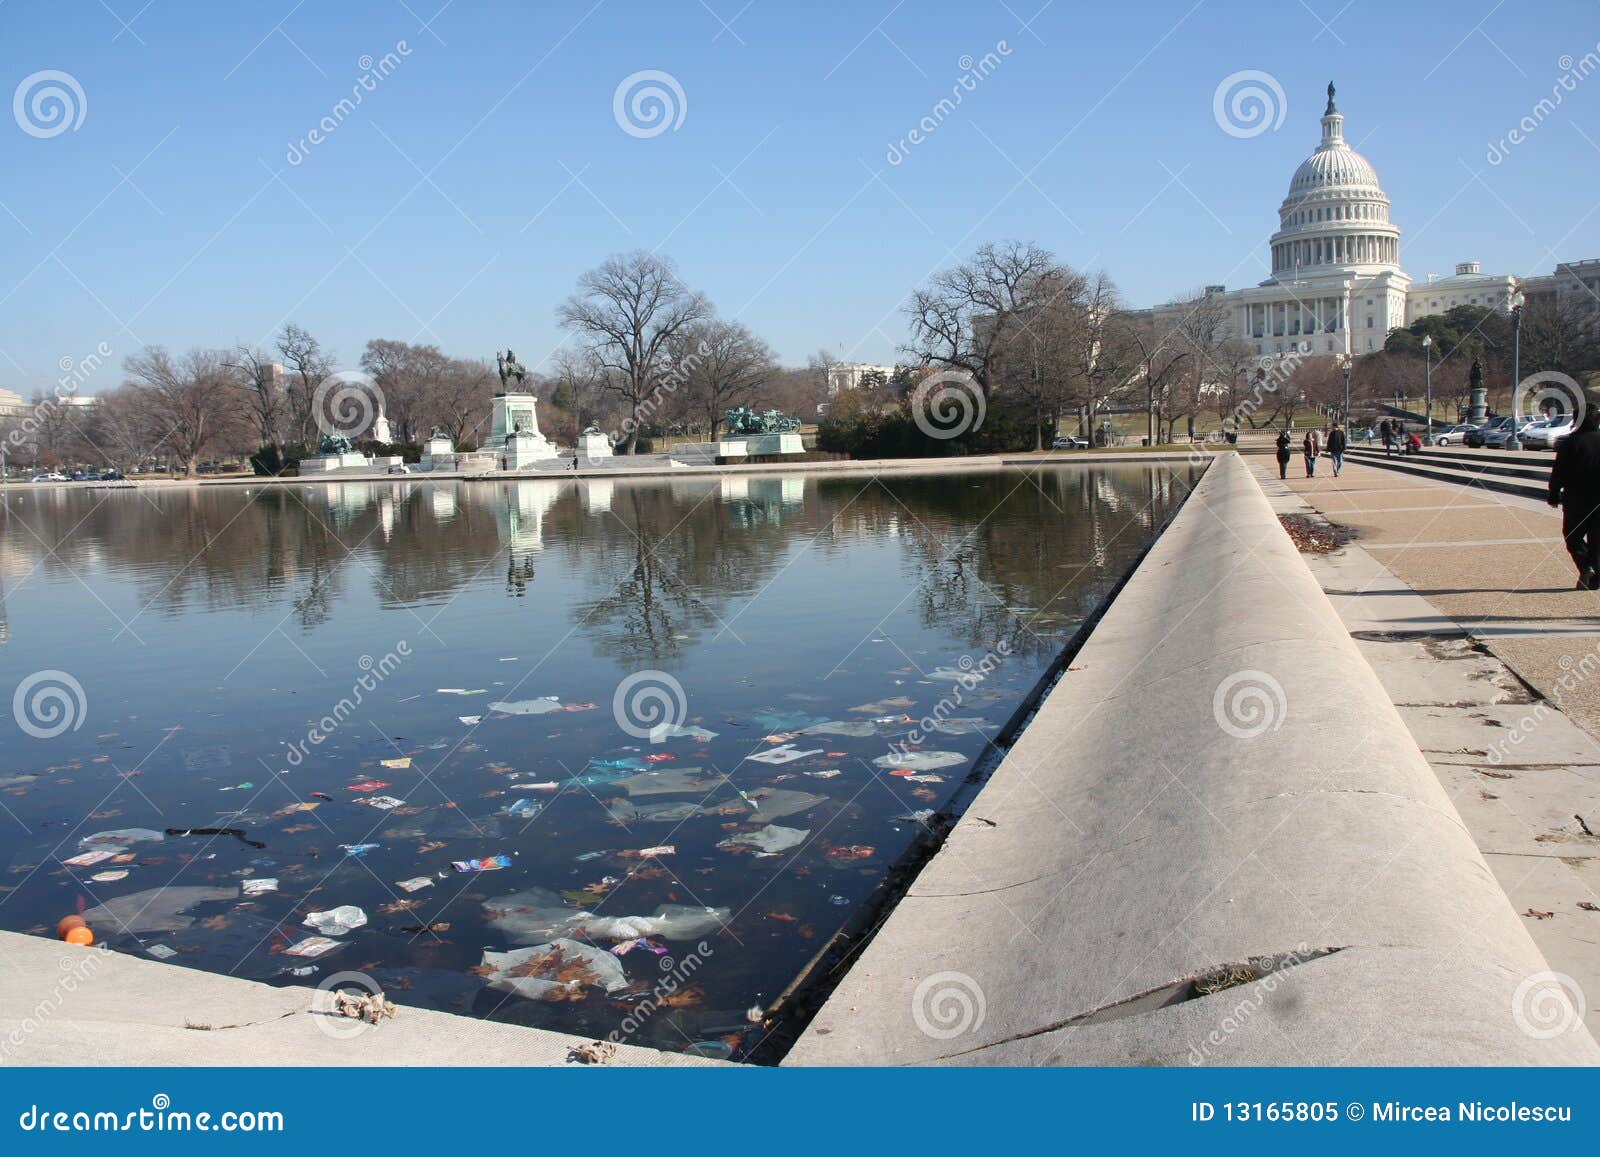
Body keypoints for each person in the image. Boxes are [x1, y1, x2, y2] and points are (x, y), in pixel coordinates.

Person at [1548, 399, 1600, 590]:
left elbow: (1558, 471)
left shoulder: (1570, 443)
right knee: (1597, 540)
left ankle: (1586, 567)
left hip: (1576, 499)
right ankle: (1594, 574)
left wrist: (1553, 494)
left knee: (1573, 537)